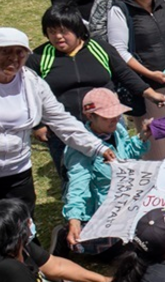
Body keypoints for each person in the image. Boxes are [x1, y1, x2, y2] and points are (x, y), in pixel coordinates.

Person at [28, 3, 164, 183]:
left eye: (64, 31)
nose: (58, 37)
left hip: (108, 124)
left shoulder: (99, 48)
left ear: (77, 29)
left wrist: (150, 94)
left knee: (117, 172)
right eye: (52, 32)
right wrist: (38, 125)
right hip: (66, 130)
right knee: (76, 177)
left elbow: (125, 74)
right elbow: (28, 94)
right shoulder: (38, 57)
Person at [0, 28, 115, 213]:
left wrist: (98, 147)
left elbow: (60, 120)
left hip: (18, 171)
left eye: (20, 52)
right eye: (5, 51)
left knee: (23, 229)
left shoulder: (32, 82)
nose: (14, 58)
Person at [107, 0, 165, 156]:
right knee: (159, 147)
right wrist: (150, 73)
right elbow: (119, 51)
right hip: (148, 89)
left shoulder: (162, 1)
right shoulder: (120, 10)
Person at [63, 88, 152, 252]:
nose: (115, 119)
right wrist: (74, 219)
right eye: (108, 117)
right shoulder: (79, 147)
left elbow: (126, 154)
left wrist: (142, 137)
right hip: (101, 210)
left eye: (117, 115)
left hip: (127, 199)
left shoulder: (117, 130)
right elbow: (78, 184)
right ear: (90, 117)